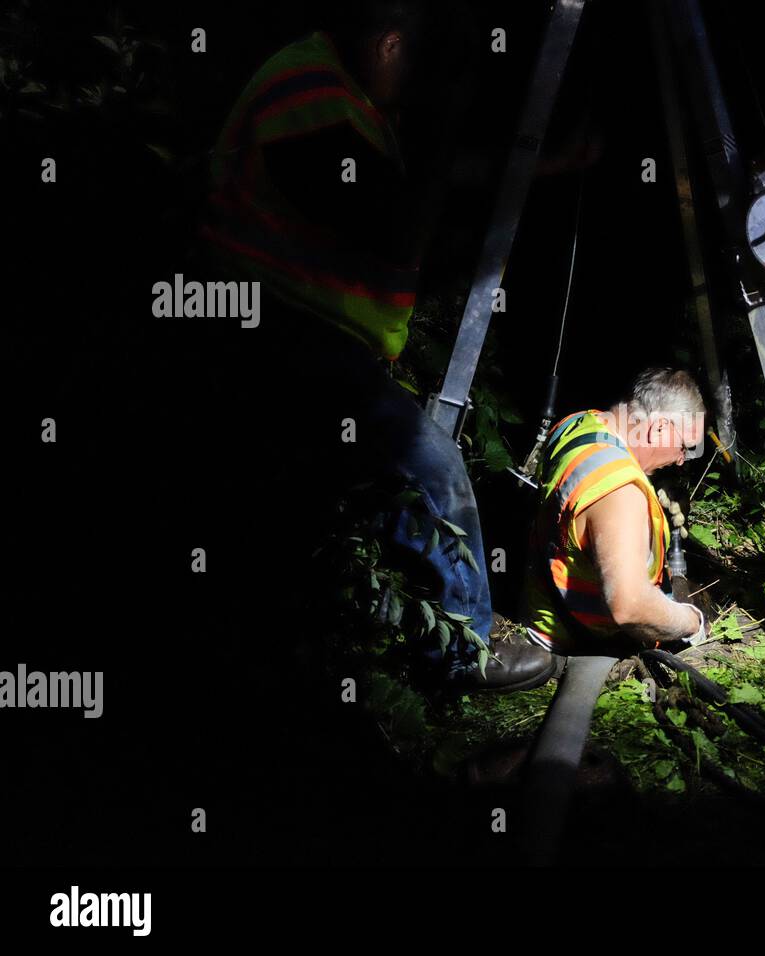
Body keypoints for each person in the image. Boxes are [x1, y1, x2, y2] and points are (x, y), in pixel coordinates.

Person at [196, 0, 557, 692]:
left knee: (332, 502)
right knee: (430, 471)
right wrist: (450, 134)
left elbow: (407, 191)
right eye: (418, 65)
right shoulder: (309, 91)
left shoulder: (345, 101)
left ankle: (320, 642)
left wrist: (531, 166)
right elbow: (388, 217)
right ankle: (465, 649)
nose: (416, 85)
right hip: (281, 334)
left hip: (300, 340)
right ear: (391, 42)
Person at [521, 368, 710, 658]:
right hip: (575, 643)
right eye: (684, 447)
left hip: (538, 611)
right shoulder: (621, 492)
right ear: (658, 428)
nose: (682, 460)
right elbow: (631, 605)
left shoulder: (576, 424)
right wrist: (691, 622)